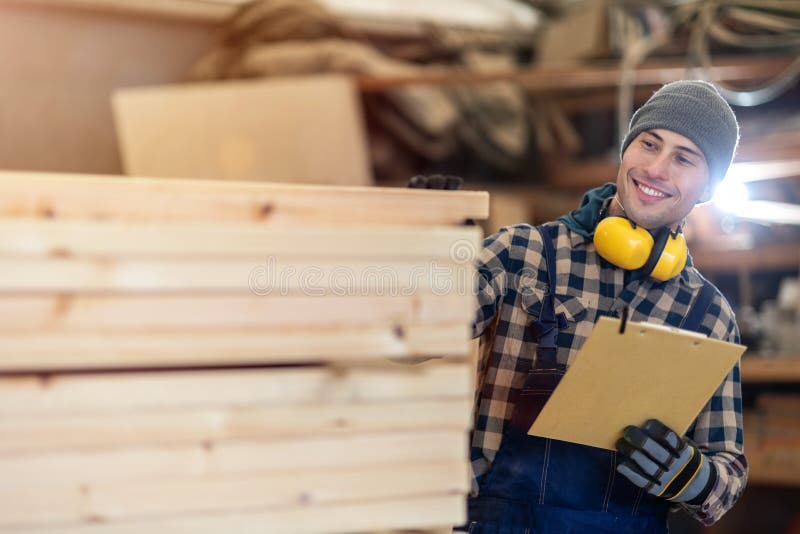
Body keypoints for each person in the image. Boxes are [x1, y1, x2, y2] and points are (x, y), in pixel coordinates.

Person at [411, 80, 746, 533]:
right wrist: (425, 240)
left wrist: (691, 474)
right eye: (649, 144)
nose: (656, 168)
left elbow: (727, 477)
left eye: (684, 159)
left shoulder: (708, 315)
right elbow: (408, 338)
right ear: (626, 150)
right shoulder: (523, 255)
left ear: (708, 188)